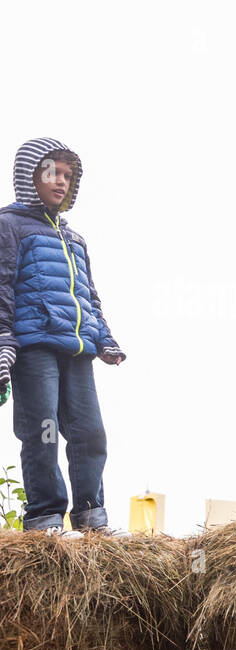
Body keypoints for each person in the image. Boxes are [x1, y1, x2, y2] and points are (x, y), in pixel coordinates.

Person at [0, 138, 126, 536]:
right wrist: (4, 342)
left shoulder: (75, 240)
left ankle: (91, 518)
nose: (61, 181)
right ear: (28, 176)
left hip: (77, 351)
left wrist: (104, 338)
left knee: (90, 433)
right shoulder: (9, 225)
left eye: (68, 176)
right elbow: (2, 286)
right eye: (51, 172)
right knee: (45, 430)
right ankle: (46, 518)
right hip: (35, 346)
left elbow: (89, 296)